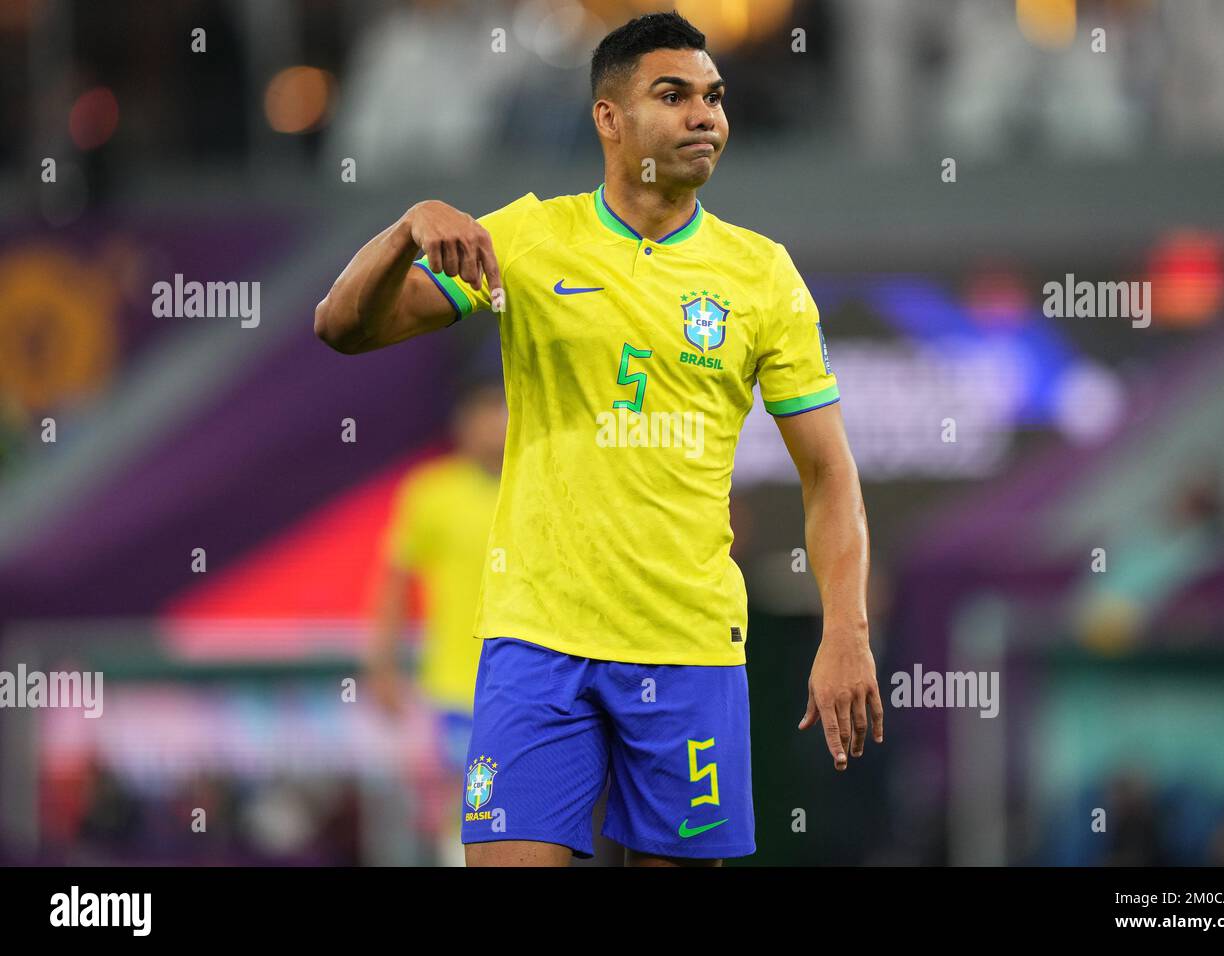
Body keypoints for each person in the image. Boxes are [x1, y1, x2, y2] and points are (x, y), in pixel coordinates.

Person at [315, 11, 882, 867]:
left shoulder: (762, 275)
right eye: (674, 95)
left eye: (714, 97)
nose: (706, 116)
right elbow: (340, 328)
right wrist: (404, 233)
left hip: (688, 650)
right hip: (537, 648)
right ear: (608, 119)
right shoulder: (529, 241)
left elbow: (828, 473)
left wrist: (846, 631)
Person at [367, 380, 506, 866]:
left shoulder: (540, 487)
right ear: (463, 425)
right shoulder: (430, 492)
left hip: (533, 687)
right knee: (460, 818)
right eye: (488, 413)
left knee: (526, 817)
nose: (499, 425)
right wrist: (382, 665)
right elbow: (395, 582)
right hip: (453, 688)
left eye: (506, 412)